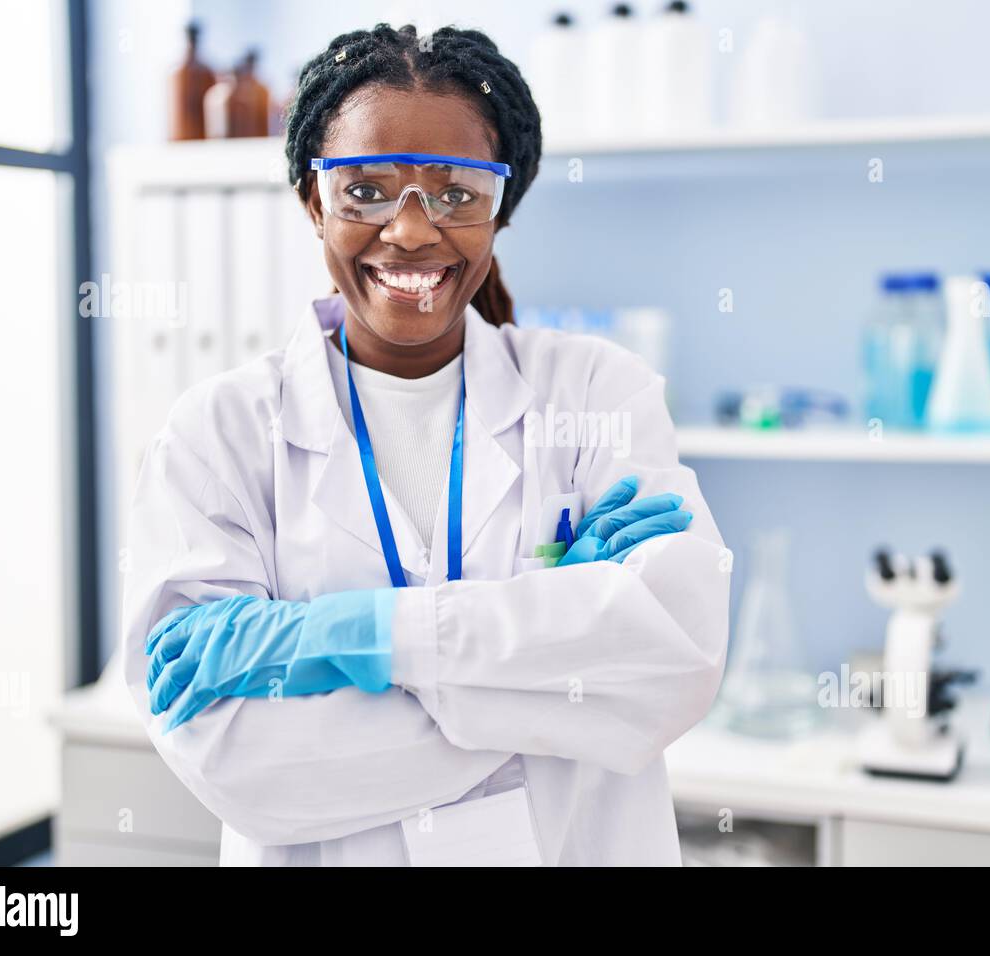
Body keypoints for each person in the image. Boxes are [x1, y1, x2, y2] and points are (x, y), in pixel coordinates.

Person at [121, 23, 729, 867]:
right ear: (312, 201)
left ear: (499, 210)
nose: (409, 232)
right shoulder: (216, 435)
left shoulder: (598, 394)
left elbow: (672, 659)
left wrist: (347, 637)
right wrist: (557, 673)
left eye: (456, 195)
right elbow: (241, 768)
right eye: (365, 189)